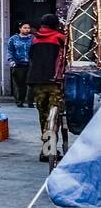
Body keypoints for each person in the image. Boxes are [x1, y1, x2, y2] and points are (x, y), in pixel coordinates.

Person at [28, 13, 68, 162]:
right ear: (56, 25)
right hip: (54, 82)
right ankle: (49, 150)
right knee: (54, 116)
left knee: (44, 115)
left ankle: (47, 149)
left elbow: (31, 57)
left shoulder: (35, 39)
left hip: (37, 82)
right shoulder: (60, 38)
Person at [5, 21, 33, 107]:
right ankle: (20, 101)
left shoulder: (33, 38)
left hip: (30, 64)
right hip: (18, 64)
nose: (27, 30)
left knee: (31, 84)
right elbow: (10, 51)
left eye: (28, 28)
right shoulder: (13, 39)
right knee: (20, 84)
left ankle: (30, 102)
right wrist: (11, 61)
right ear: (20, 29)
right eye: (25, 28)